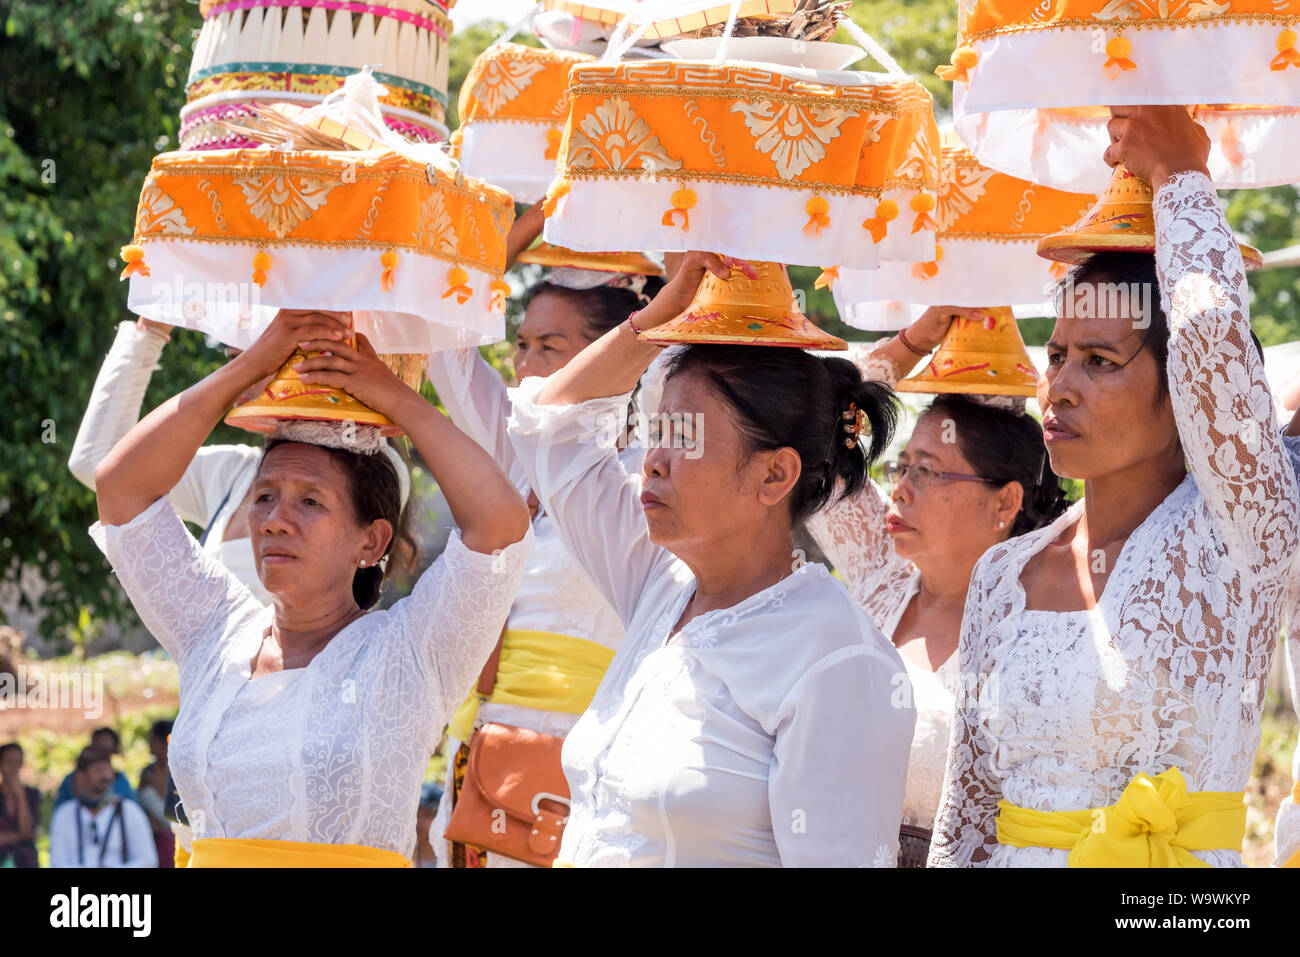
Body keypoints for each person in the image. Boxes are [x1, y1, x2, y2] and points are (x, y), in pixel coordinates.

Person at [928, 105, 1300, 867]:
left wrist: (1184, 179)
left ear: (1186, 392)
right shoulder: (1002, 573)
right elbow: (965, 819)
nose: (1059, 386)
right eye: (1057, 353)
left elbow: (1213, 347)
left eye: (1100, 361)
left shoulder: (1242, 538)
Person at [505, 252, 916, 866]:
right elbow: (549, 427)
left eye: (684, 437)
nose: (651, 459)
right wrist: (655, 321)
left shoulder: (835, 658)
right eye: (653, 432)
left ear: (774, 473)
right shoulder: (662, 585)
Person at [90, 308, 532, 867]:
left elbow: (499, 524)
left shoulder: (412, 653)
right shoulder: (215, 629)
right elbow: (120, 488)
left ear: (370, 543)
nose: (274, 518)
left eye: (310, 501)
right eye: (264, 496)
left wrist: (392, 397)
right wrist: (250, 366)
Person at [424, 204, 668, 867]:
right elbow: (442, 326)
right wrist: (538, 216)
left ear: (615, 355)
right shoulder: (513, 445)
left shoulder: (653, 476)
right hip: (481, 766)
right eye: (522, 345)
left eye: (551, 348)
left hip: (596, 770)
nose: (528, 365)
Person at [805, 307, 1069, 866]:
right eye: (902, 468)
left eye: (927, 471)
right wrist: (913, 340)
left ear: (1006, 501)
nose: (898, 492)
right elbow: (818, 426)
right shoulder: (881, 577)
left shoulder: (1043, 630)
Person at [49, 747, 156, 868]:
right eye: (98, 770)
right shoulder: (64, 815)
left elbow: (148, 860)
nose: (105, 775)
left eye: (108, 769)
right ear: (80, 776)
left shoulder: (130, 811)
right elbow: (57, 863)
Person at [53, 727, 135, 807]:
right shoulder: (70, 782)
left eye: (105, 769)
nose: (105, 776)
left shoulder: (122, 783)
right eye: (97, 770)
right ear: (82, 776)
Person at [137, 719, 180, 868]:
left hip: (177, 829)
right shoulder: (148, 772)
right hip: (156, 834)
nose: (149, 743)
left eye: (151, 739)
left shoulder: (178, 768)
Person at [0, 742, 40, 868]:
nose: (13, 767)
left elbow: (29, 832)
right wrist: (20, 837)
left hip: (25, 861)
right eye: (9, 762)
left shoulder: (31, 794)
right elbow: (25, 835)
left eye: (18, 762)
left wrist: (20, 797)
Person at [413, 782, 443, 868]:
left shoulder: (449, 855)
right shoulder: (400, 853)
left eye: (427, 814)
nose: (419, 822)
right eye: (415, 814)